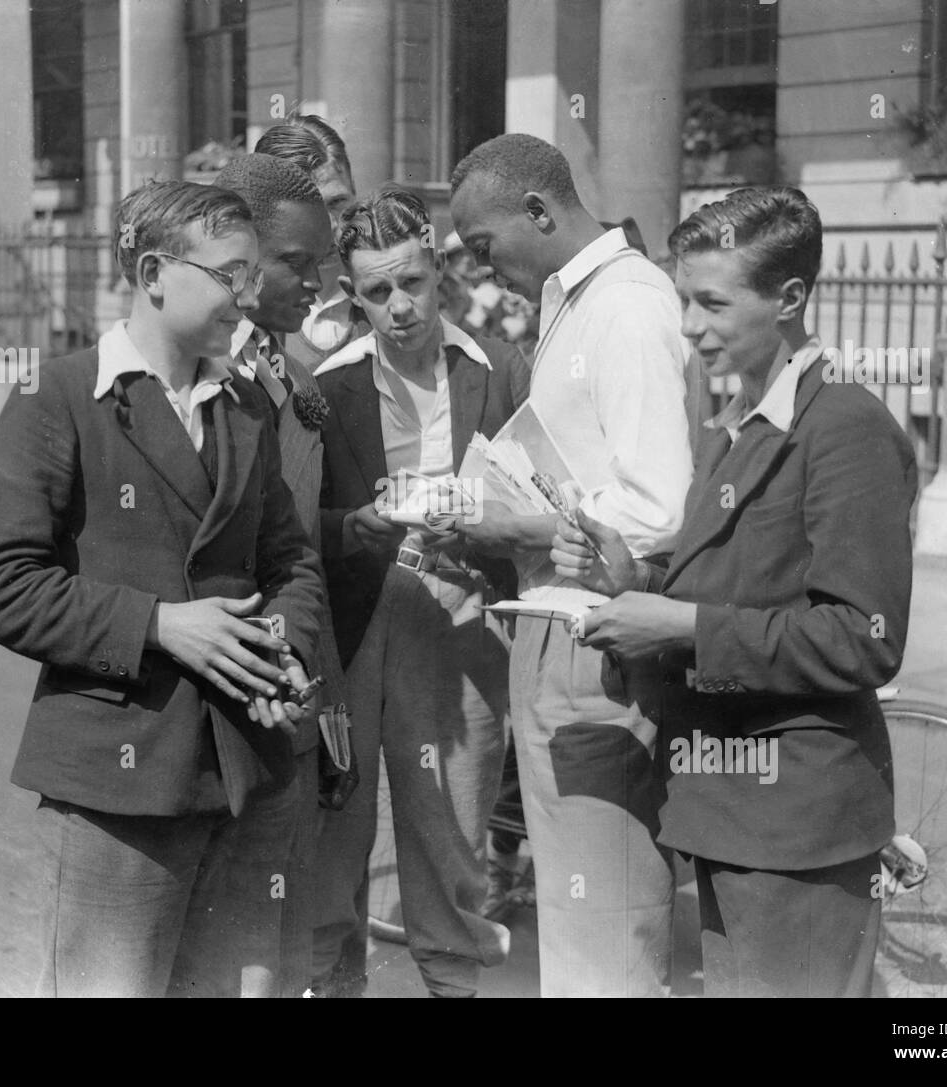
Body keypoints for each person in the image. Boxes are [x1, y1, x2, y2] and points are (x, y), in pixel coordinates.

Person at [552, 186, 917, 997]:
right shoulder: (738, 428)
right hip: (734, 807)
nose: (688, 325)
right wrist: (633, 579)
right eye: (684, 299)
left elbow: (865, 636)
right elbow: (741, 587)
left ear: (789, 298)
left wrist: (677, 622)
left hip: (796, 824)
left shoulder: (842, 426)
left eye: (712, 302)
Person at [0, 180, 325, 998]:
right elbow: (1, 586)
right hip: (123, 786)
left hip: (249, 772)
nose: (249, 292)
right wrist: (161, 625)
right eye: (230, 273)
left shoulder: (243, 404)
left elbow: (289, 561)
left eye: (253, 272)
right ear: (156, 273)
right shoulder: (57, 398)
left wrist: (283, 652)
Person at [449, 133, 693, 997]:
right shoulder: (576, 303)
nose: (482, 271)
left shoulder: (627, 307)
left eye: (484, 247)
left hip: (598, 635)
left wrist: (514, 523)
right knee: (577, 924)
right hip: (556, 627)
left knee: (605, 938)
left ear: (540, 212)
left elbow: (657, 508)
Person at [309, 185, 530, 998]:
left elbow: (540, 495)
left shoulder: (498, 369)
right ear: (351, 295)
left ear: (440, 272)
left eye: (412, 283)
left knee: (452, 844)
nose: (399, 307)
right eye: (376, 292)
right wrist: (355, 526)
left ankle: (453, 987)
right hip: (361, 620)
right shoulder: (323, 389)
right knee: (336, 842)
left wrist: (486, 534)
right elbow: (298, 527)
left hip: (460, 618)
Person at [213, 152, 355, 998]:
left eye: (325, 264)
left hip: (291, 704)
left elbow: (299, 552)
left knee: (279, 953)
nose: (318, 284)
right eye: (298, 264)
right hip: (219, 712)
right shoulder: (191, 380)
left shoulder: (291, 377)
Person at [254, 115, 364, 369]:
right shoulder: (249, 311)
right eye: (311, 209)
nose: (331, 226)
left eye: (337, 203)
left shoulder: (386, 293)